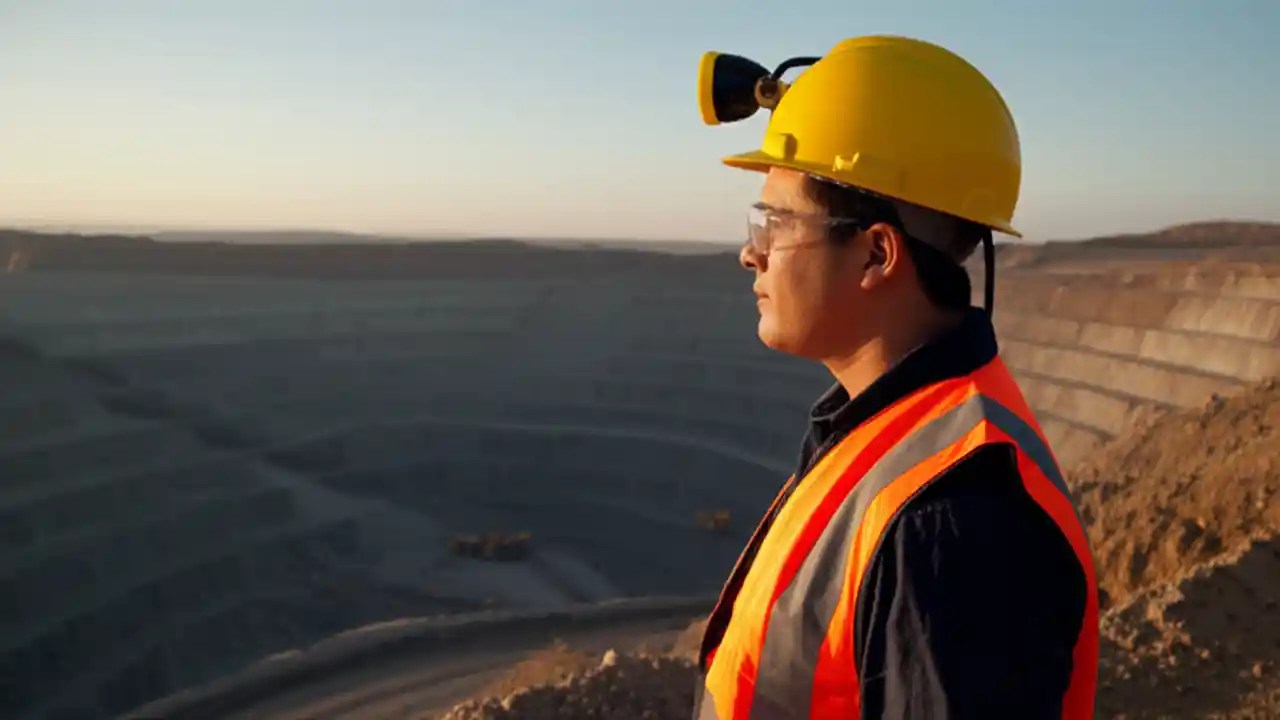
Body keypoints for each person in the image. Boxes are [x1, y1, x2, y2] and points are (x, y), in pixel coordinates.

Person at [692, 36, 1100, 719]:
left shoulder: (953, 526)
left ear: (876, 254)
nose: (748, 253)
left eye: (774, 223)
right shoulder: (885, 443)